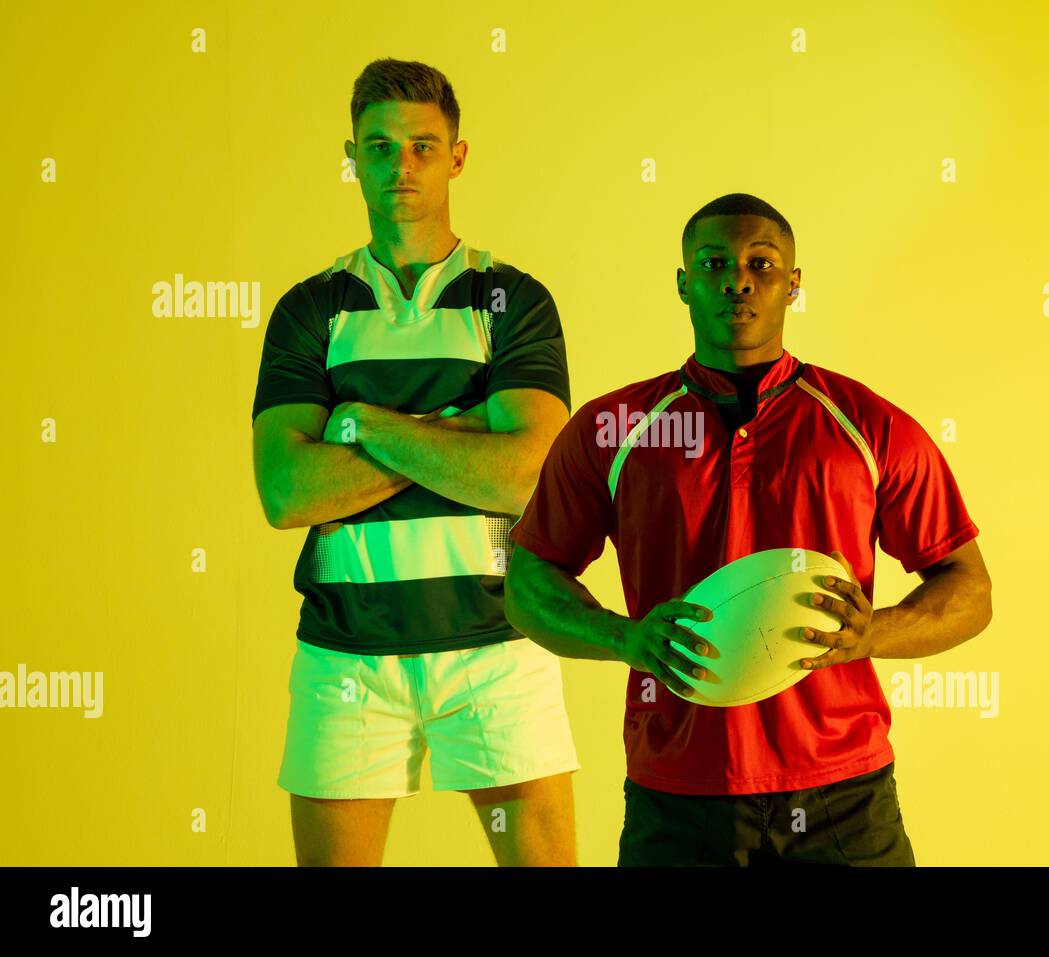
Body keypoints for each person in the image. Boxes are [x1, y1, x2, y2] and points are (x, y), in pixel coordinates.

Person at [504, 193, 993, 866]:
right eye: (714, 263)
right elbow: (527, 583)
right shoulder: (612, 428)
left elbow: (970, 588)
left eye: (762, 263)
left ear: (794, 284)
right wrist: (627, 638)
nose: (739, 278)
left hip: (843, 792)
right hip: (677, 798)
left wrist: (870, 632)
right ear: (682, 283)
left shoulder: (867, 425)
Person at [251, 58, 578, 866]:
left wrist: (362, 424)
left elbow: (524, 473)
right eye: (380, 146)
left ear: (457, 156)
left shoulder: (512, 298)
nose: (402, 166)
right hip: (346, 654)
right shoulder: (311, 307)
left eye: (423, 146)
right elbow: (287, 491)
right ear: (353, 157)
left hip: (499, 641)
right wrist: (452, 431)